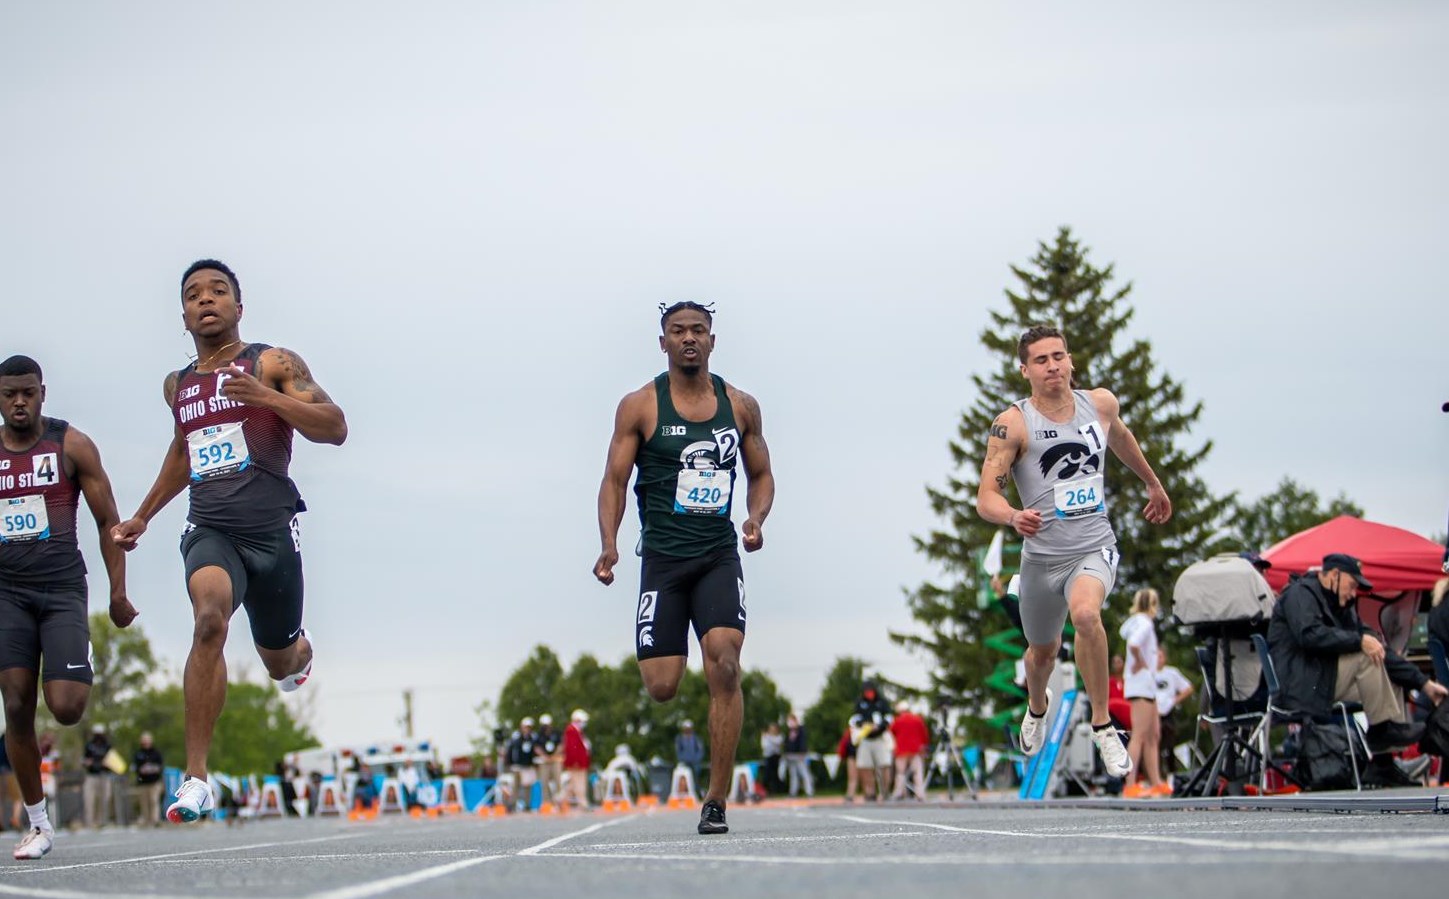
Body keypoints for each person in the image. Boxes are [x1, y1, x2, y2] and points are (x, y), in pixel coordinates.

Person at [112, 260, 347, 823]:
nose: (206, 300)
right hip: (210, 529)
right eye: (194, 294)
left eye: (219, 291)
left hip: (271, 535)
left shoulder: (272, 363)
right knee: (209, 620)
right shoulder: (179, 385)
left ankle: (298, 650)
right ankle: (196, 780)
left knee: (280, 661)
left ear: (239, 307)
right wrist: (143, 514)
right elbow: (183, 451)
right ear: (184, 315)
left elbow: (334, 426)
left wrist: (266, 399)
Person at [593, 301, 775, 835]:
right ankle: (677, 663)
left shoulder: (740, 406)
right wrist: (610, 543)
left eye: (698, 331)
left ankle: (716, 799)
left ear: (713, 341)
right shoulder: (640, 407)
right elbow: (614, 480)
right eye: (678, 331)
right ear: (663, 342)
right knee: (662, 686)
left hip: (718, 553)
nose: (689, 339)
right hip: (664, 563)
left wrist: (756, 519)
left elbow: (762, 474)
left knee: (724, 662)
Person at [977, 325, 1172, 780]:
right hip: (1041, 560)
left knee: (1087, 615)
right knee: (1040, 655)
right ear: (1024, 369)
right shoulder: (1014, 423)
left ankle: (1103, 725)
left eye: (1059, 356)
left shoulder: (1099, 404)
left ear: (1071, 361)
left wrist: (1152, 482)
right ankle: (1037, 706)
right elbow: (986, 494)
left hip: (1093, 545)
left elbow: (1120, 438)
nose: (1053, 367)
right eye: (1041, 360)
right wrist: (1011, 517)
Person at [1, 355, 138, 857]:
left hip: (60, 590)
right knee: (15, 703)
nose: (20, 402)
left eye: (28, 393)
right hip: (6, 594)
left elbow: (110, 523)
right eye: (10, 394)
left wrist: (117, 593)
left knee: (66, 709)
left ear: (42, 392)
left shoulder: (71, 445)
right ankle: (39, 824)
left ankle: (76, 654)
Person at [1267, 553, 1448, 754]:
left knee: (1387, 671)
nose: (1354, 593)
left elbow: (1379, 648)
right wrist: (1359, 641)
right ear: (1334, 575)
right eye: (1352, 585)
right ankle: (1381, 731)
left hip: (1323, 680)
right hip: (1297, 686)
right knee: (1365, 657)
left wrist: (1424, 684)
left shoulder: (1341, 606)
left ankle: (1383, 764)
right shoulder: (1300, 594)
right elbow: (1309, 635)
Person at [1120, 589, 1166, 797]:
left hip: (1146, 685)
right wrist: (1140, 661)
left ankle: (1156, 781)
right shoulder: (1145, 624)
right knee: (1139, 735)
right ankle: (1130, 783)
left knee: (1153, 734)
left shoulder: (1135, 622)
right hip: (1141, 684)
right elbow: (1133, 643)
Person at [1153, 648, 1194, 777]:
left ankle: (1172, 774)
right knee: (1154, 745)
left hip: (1167, 713)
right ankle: (1157, 775)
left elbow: (1188, 688)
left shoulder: (1171, 673)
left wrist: (1175, 700)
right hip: (1153, 714)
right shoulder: (1148, 673)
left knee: (1169, 745)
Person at [849, 681, 893, 801]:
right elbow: (854, 719)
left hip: (880, 737)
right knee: (865, 767)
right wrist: (864, 724)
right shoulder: (860, 703)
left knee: (885, 765)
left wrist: (879, 726)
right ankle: (870, 792)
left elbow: (889, 717)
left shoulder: (882, 702)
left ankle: (885, 792)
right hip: (866, 739)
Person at [889, 702, 929, 801]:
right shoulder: (917, 719)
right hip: (916, 750)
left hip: (902, 750)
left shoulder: (897, 720)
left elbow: (892, 732)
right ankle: (920, 794)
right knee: (917, 772)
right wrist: (924, 746)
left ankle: (899, 792)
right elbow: (924, 734)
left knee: (900, 772)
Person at [82, 724, 114, 828]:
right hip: (91, 775)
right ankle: (90, 822)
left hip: (104, 775)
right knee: (89, 799)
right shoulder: (89, 745)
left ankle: (102, 821)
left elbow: (113, 761)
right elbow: (84, 760)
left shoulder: (107, 746)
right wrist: (87, 762)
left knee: (105, 798)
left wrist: (108, 763)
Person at [506, 718, 540, 811]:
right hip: (517, 766)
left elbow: (534, 752)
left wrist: (534, 764)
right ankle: (512, 804)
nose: (527, 729)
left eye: (528, 727)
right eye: (525, 727)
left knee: (527, 787)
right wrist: (509, 762)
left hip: (528, 766)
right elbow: (510, 751)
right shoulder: (516, 737)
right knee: (515, 786)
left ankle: (527, 804)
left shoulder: (533, 738)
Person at [132, 732, 165, 827]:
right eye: (144, 740)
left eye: (147, 740)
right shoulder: (138, 753)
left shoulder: (156, 753)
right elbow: (135, 767)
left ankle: (155, 820)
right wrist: (141, 769)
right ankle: (146, 820)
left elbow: (161, 766)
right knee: (144, 802)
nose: (146, 742)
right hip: (143, 782)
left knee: (154, 800)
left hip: (155, 781)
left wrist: (154, 768)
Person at [562, 709, 591, 809]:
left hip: (580, 762)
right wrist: (575, 761)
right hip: (576, 762)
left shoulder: (578, 731)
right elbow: (571, 747)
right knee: (579, 783)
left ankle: (561, 800)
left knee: (573, 784)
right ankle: (583, 803)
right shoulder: (571, 730)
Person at [782, 713, 813, 798]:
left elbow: (803, 742)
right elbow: (786, 743)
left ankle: (809, 791)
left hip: (799, 755)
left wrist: (802, 752)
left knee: (804, 773)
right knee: (793, 774)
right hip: (790, 755)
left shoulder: (801, 730)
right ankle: (793, 792)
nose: (790, 723)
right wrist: (786, 752)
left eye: (791, 720)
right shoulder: (788, 731)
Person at [536, 714, 562, 807]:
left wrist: (554, 755)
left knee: (558, 780)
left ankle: (559, 801)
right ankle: (546, 802)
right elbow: (537, 747)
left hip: (555, 759)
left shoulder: (556, 733)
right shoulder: (539, 735)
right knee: (544, 781)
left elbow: (560, 745)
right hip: (544, 761)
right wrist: (544, 756)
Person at [674, 720, 704, 798]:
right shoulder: (680, 739)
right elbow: (678, 751)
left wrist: (696, 759)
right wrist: (682, 759)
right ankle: (682, 795)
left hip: (695, 762)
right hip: (684, 762)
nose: (687, 729)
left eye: (689, 728)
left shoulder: (696, 738)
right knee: (683, 778)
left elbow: (700, 750)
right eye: (686, 728)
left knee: (695, 779)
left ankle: (697, 795)